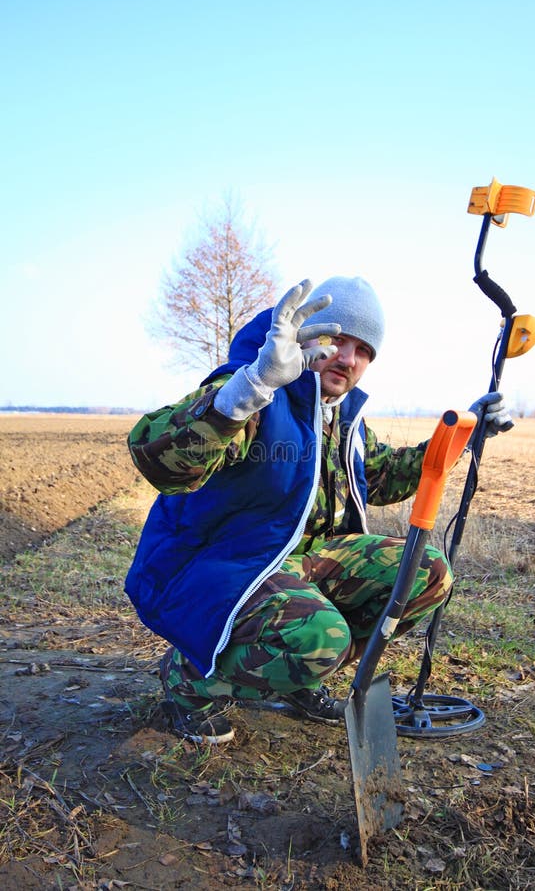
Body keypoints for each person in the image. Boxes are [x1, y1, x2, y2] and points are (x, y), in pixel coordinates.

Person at [125, 277, 512, 743]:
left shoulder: (342, 417)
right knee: (322, 637)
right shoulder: (253, 391)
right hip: (223, 566)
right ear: (308, 336)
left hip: (301, 564)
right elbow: (156, 458)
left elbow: (386, 475)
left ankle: (297, 676)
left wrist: (464, 434)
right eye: (338, 340)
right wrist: (253, 385)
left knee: (426, 572)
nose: (348, 359)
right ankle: (189, 678)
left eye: (364, 349)